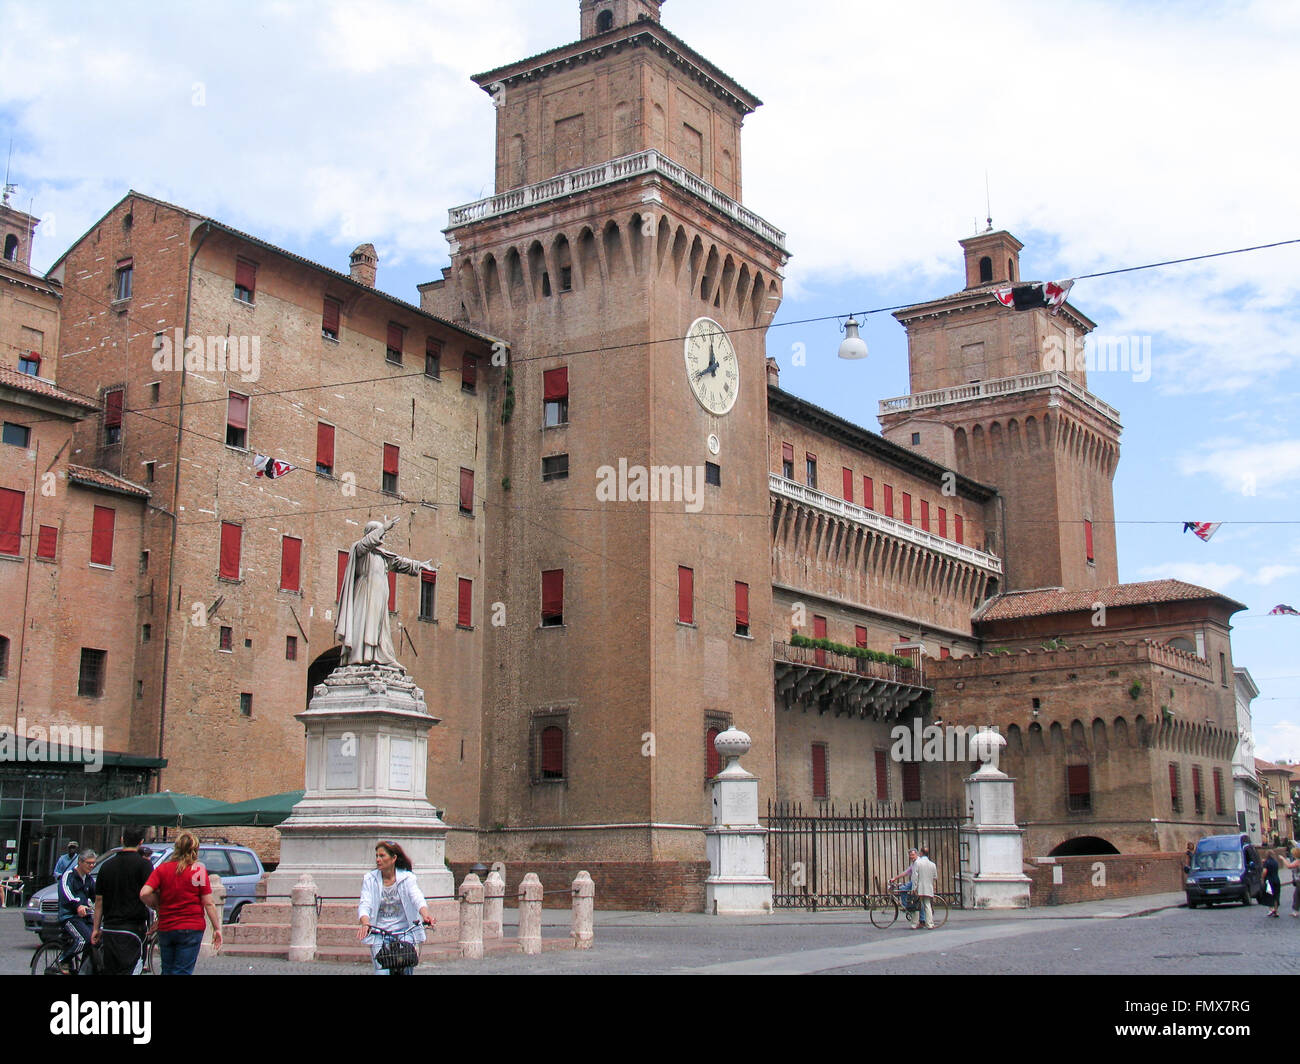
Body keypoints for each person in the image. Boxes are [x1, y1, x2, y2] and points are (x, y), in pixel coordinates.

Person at [336, 517, 432, 669]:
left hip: (379, 596)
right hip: (365, 593)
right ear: (372, 534)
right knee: (365, 623)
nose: (384, 537)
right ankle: (361, 656)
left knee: (380, 627)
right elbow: (366, 544)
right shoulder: (359, 549)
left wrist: (420, 565)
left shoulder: (382, 555)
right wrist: (384, 528)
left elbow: (399, 563)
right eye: (381, 533)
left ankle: (380, 656)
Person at [140, 831, 222, 975]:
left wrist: (156, 905)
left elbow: (144, 893)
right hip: (191, 926)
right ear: (195, 850)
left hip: (167, 926)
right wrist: (217, 928)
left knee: (167, 969)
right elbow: (208, 903)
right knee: (183, 970)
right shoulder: (198, 871)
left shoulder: (162, 869)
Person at [357, 841, 434, 974]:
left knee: (406, 967)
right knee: (382, 972)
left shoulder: (407, 878)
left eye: (382, 856)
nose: (378, 859)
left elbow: (417, 897)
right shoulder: (370, 879)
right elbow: (365, 903)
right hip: (380, 934)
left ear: (393, 858)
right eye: (376, 856)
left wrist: (425, 914)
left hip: (405, 932)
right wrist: (365, 923)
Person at [91, 826, 154, 974]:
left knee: (110, 970)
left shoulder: (106, 866)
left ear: (122, 840)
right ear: (141, 842)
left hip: (110, 928)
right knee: (131, 970)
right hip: (133, 928)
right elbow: (151, 894)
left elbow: (99, 900)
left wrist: (96, 928)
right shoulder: (144, 865)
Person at [56, 848, 97, 973]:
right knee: (84, 939)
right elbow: (66, 893)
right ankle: (64, 960)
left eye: (93, 863)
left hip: (84, 917)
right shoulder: (68, 876)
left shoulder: (89, 879)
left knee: (96, 940)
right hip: (69, 916)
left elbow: (96, 896)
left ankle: (85, 969)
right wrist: (78, 905)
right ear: (80, 862)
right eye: (88, 863)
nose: (91, 866)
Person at [911, 846, 939, 930]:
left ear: (921, 853)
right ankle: (929, 924)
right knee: (927, 905)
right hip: (928, 887)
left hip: (919, 887)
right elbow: (935, 877)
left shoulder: (917, 863)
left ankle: (914, 924)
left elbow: (915, 876)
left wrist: (914, 888)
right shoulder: (932, 864)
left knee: (916, 906)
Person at [889, 848, 919, 915]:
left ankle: (906, 906)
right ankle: (907, 905)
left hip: (917, 882)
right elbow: (906, 872)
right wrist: (895, 878)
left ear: (916, 854)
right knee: (902, 889)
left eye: (913, 855)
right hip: (913, 881)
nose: (911, 857)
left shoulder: (918, 862)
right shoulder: (913, 863)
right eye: (910, 855)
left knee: (903, 890)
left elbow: (907, 873)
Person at [1280, 847, 1300, 918]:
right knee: (1296, 896)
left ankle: (1295, 912)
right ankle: (1295, 911)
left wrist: (1283, 859)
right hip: (1297, 881)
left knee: (1296, 896)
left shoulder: (1298, 861)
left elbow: (1289, 866)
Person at [1262, 849, 1281, 916]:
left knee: (1269, 895)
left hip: (1269, 880)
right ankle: (1276, 910)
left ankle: (1271, 909)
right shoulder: (1275, 862)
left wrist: (1262, 878)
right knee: (1276, 895)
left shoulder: (1266, 862)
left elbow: (1265, 871)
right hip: (1276, 880)